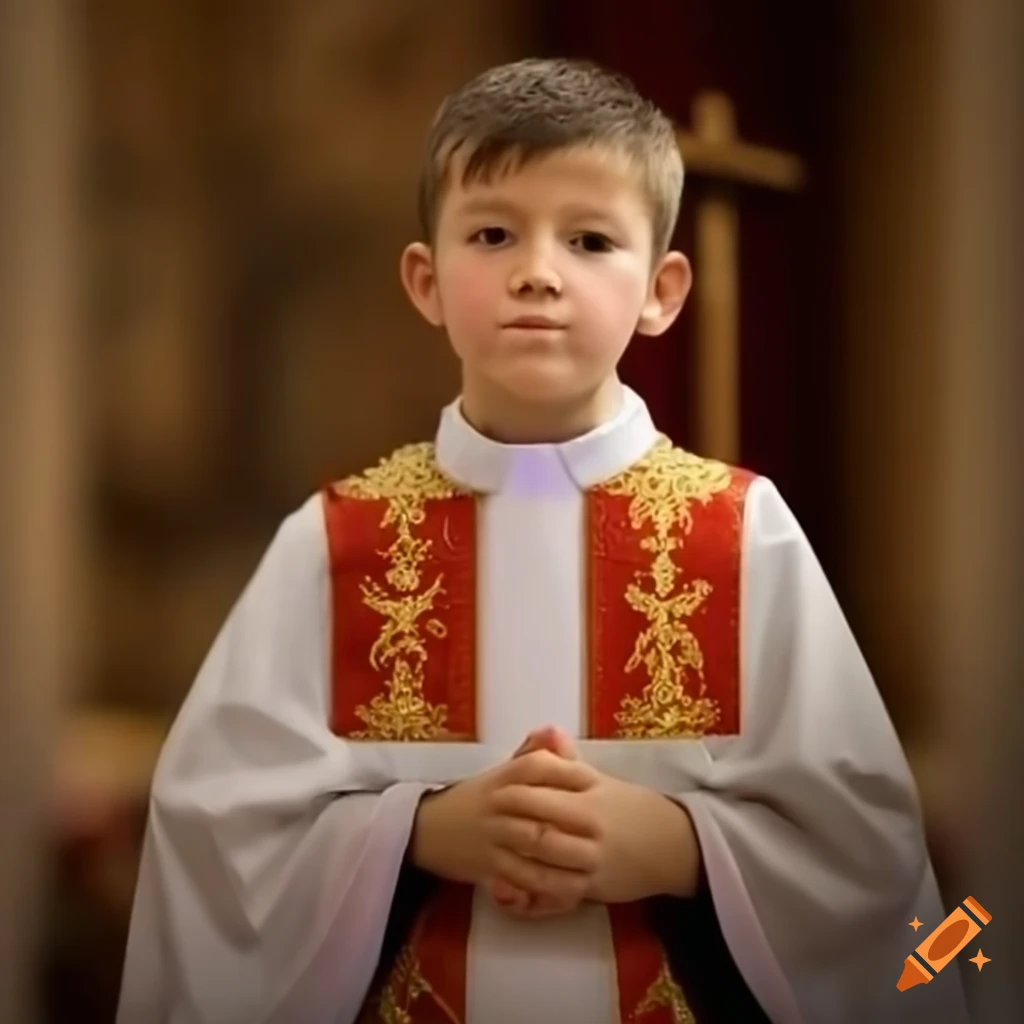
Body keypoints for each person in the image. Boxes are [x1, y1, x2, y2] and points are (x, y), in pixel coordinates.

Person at [116, 58, 969, 1024]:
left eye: (591, 238)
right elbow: (213, 833)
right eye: (492, 233)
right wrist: (421, 832)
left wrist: (678, 845)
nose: (538, 270)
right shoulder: (340, 540)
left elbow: (871, 856)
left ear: (662, 290)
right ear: (426, 280)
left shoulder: (740, 534)